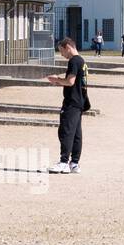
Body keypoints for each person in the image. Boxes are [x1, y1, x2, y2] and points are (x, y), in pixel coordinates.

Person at [45, 37, 89, 174]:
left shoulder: (74, 61)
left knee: (66, 131)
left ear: (68, 47)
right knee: (76, 133)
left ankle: (64, 162)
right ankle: (74, 163)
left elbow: (70, 82)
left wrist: (56, 80)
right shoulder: (82, 61)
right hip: (80, 101)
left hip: (72, 102)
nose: (62, 55)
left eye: (62, 51)